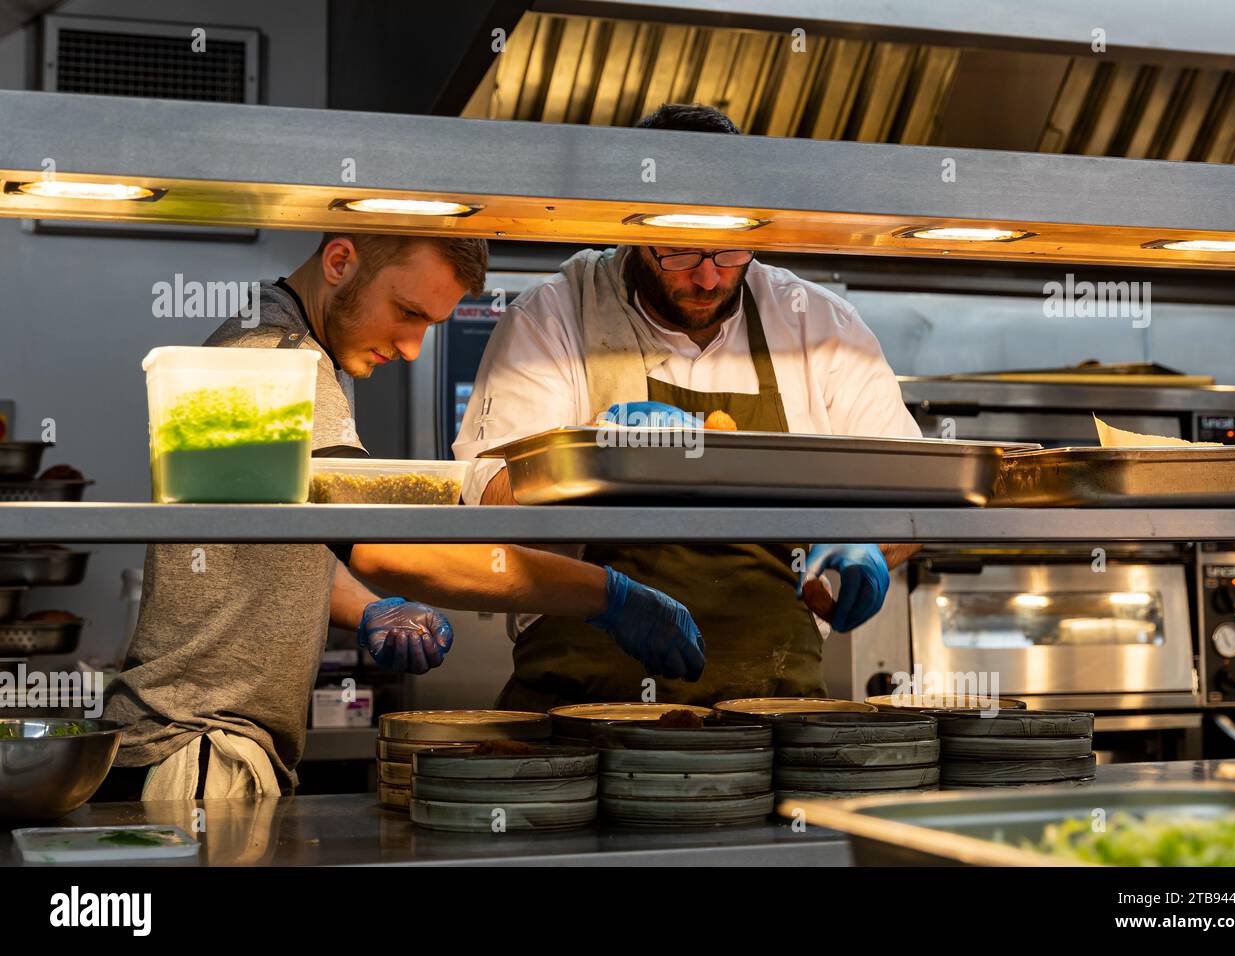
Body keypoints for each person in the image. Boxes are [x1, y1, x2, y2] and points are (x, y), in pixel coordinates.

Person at [101, 231, 702, 801]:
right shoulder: (275, 360)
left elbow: (283, 540)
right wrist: (609, 595)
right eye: (407, 312)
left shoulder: (288, 348)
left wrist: (368, 608)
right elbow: (389, 548)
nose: (413, 349)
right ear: (339, 262)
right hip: (200, 751)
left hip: (202, 744)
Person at [453, 103, 922, 711]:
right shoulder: (554, 316)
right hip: (582, 710)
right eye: (678, 253)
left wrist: (872, 548)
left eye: (730, 252)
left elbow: (914, 489)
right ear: (632, 227)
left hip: (774, 714)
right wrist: (593, 454)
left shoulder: (817, 325)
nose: (707, 278)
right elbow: (493, 503)